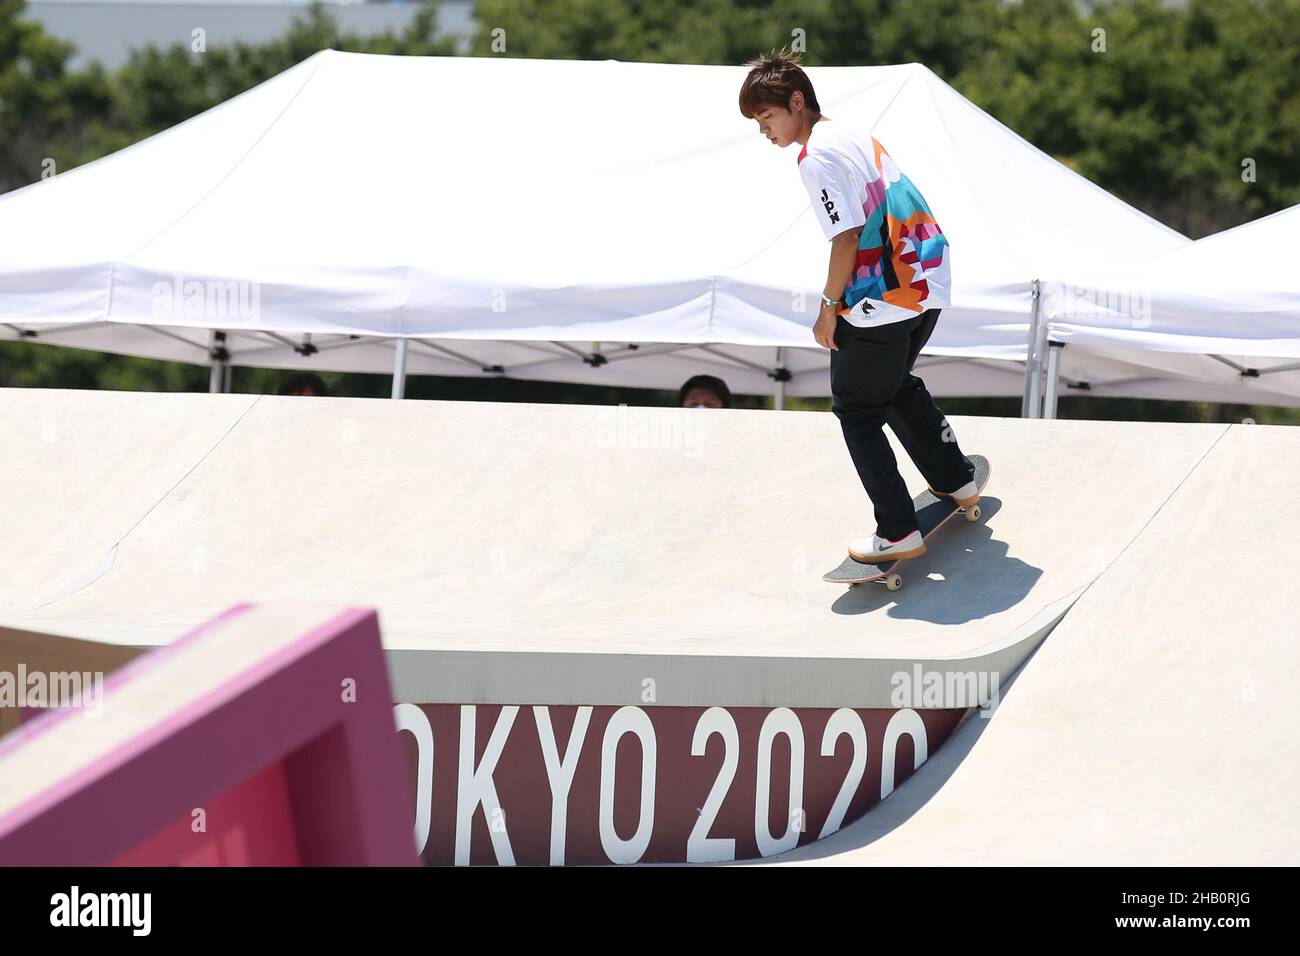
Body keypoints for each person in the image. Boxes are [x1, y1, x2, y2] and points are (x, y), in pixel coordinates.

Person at [739, 50, 978, 563]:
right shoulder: (850, 133)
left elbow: (845, 237)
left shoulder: (816, 156)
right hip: (926, 282)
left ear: (795, 102)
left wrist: (828, 308)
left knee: (857, 411)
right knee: (892, 385)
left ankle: (897, 531)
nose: (764, 131)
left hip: (880, 301)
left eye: (767, 118)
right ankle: (956, 479)